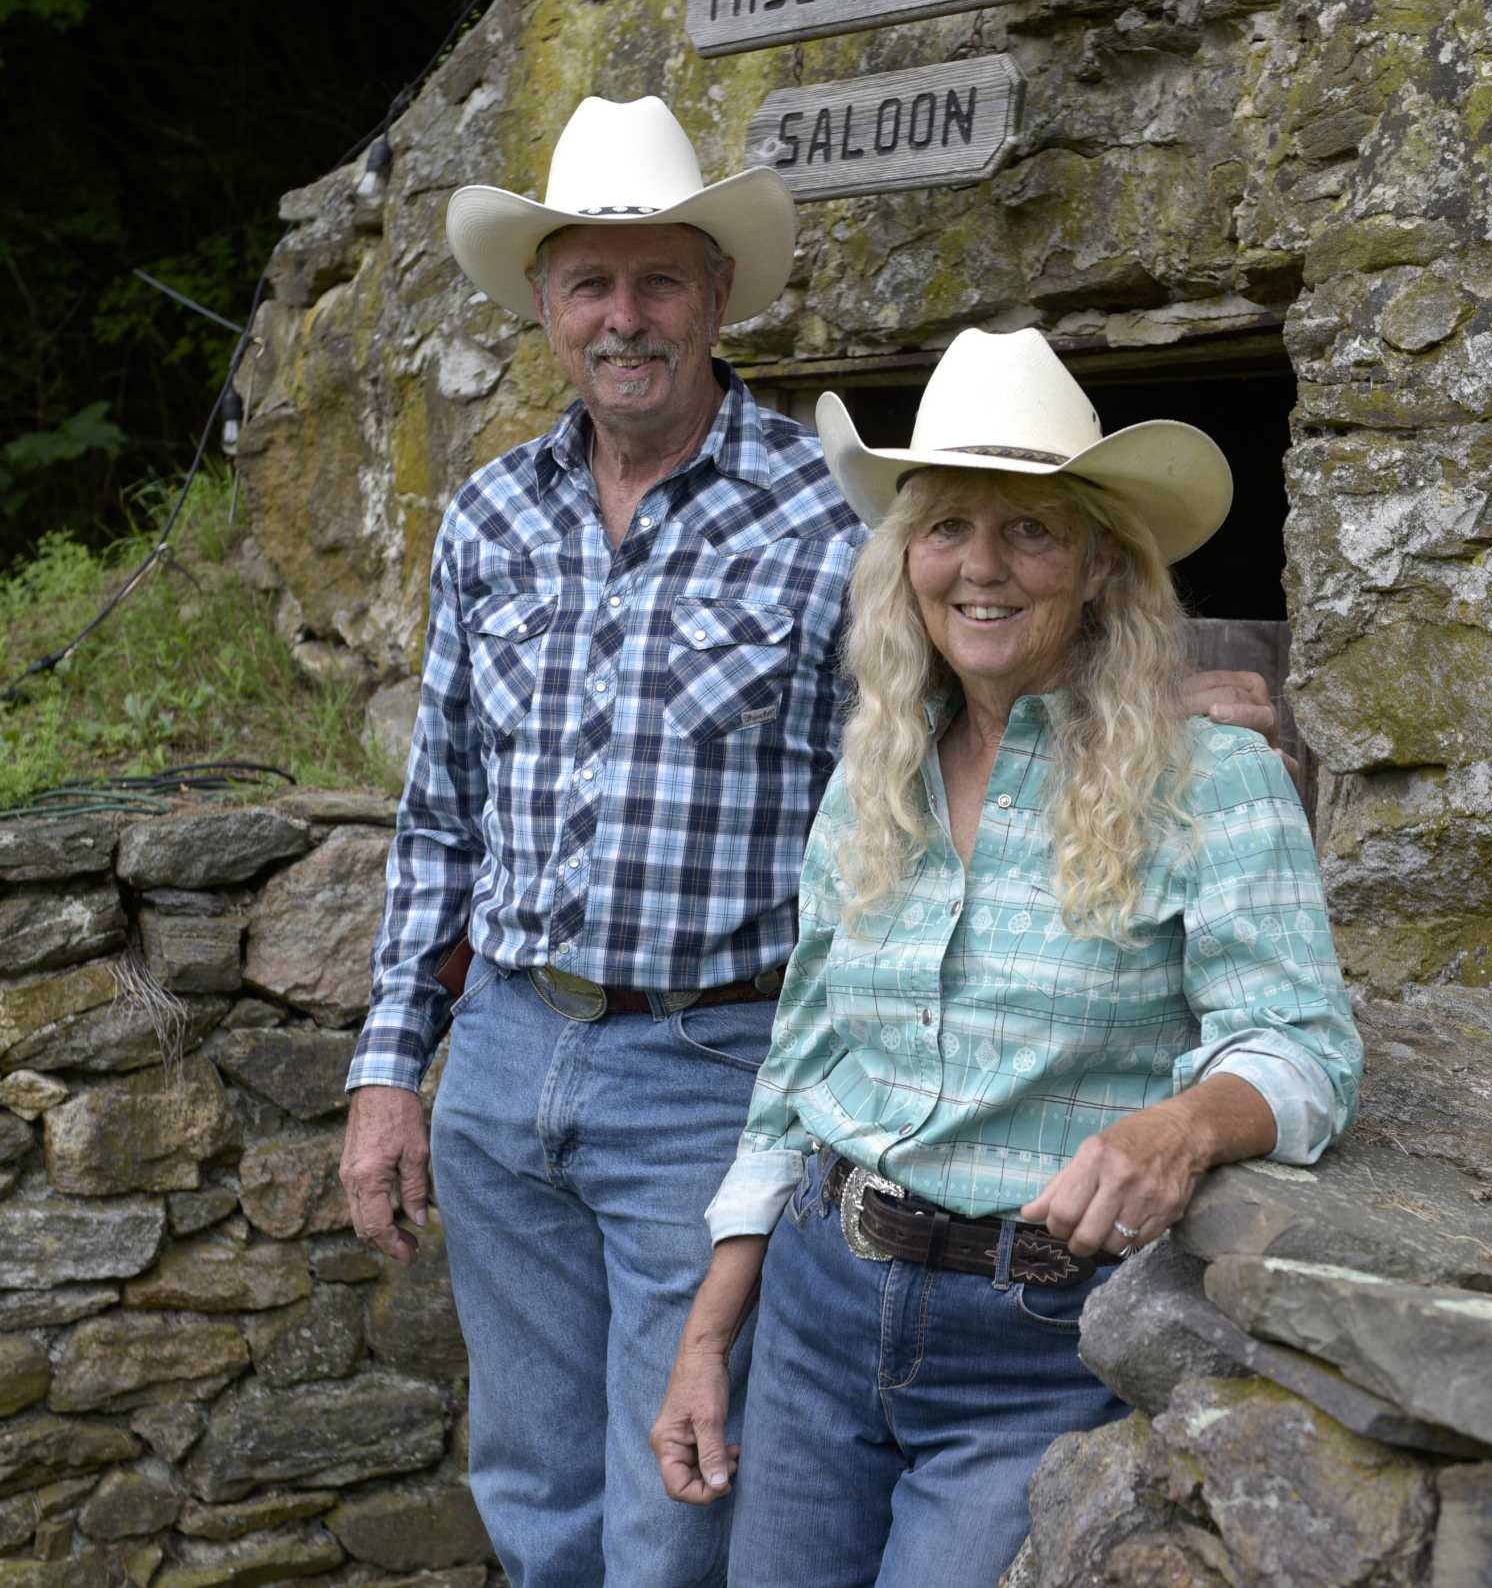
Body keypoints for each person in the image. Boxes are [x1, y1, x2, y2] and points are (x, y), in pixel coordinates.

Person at [337, 100, 1283, 1588]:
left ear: (719, 294)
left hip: (707, 1064)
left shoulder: (820, 514)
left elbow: (973, 653)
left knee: (675, 1508)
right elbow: (439, 811)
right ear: (543, 302)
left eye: (660, 282)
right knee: (528, 1485)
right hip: (506, 1050)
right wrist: (393, 1066)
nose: (625, 317)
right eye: (591, 282)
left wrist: (1148, 694)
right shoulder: (485, 519)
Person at [649, 327, 1362, 1588]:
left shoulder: (1213, 780)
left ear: (1096, 563)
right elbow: (797, 1061)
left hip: (1035, 1333)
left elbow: (1301, 1047)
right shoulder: (874, 772)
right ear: (900, 561)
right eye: (945, 528)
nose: (979, 566)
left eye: (1028, 530)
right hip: (821, 1301)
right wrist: (710, 1335)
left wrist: (1183, 1124)